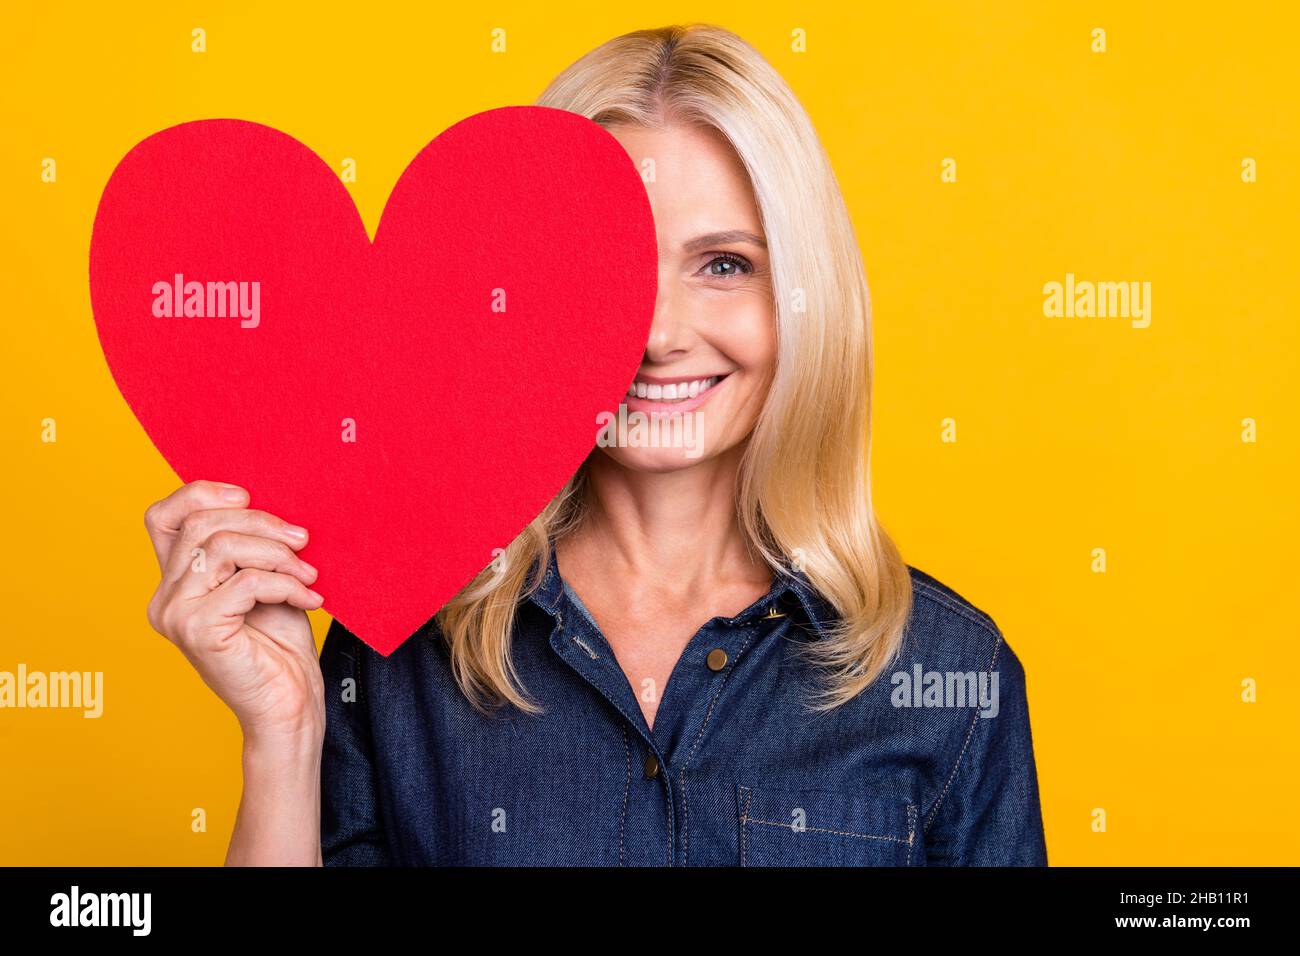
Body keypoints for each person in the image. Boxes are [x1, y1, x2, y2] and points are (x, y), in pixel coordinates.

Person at [143, 23, 1047, 866]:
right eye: (608, 264)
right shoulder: (395, 650)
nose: (659, 335)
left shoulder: (947, 673)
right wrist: (285, 735)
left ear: (802, 299)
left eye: (725, 265)